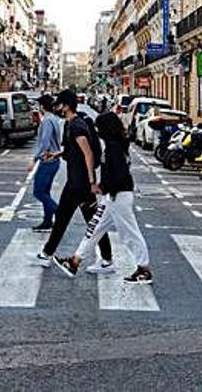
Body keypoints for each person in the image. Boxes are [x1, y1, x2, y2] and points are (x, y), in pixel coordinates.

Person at [54, 112, 153, 284]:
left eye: (99, 127)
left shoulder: (114, 147)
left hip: (118, 196)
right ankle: (74, 261)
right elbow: (114, 173)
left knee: (129, 233)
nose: (97, 131)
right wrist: (103, 186)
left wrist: (104, 187)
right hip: (112, 196)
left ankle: (143, 269)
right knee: (95, 228)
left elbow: (120, 175)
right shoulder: (115, 144)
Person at [31, 89, 114, 273]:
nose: (57, 108)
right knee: (89, 221)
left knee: (65, 218)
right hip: (77, 180)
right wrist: (56, 154)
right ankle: (107, 259)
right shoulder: (71, 124)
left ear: (66, 106)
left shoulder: (76, 126)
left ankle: (47, 254)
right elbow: (73, 150)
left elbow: (88, 154)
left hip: (79, 182)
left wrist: (92, 181)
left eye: (59, 104)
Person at [30, 94, 63, 232]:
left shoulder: (47, 121)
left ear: (42, 107)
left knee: (38, 191)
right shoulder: (54, 119)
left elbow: (45, 142)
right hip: (54, 161)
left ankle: (60, 213)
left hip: (48, 161)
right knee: (45, 192)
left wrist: (35, 158)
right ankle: (48, 221)